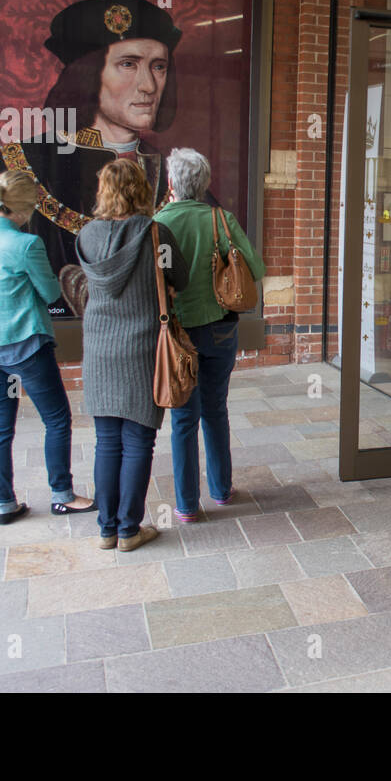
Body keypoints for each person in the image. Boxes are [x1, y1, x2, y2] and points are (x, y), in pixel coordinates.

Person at [0, 0, 183, 320]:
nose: (149, 86)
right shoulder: (6, 167)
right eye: (128, 64)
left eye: (159, 67)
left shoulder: (172, 171)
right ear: (89, 72)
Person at [0, 169, 95, 524]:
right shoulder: (26, 244)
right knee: (57, 419)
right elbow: (49, 293)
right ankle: (62, 495)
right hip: (25, 344)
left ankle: (4, 504)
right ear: (23, 209)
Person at [76, 159, 189, 551]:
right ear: (142, 189)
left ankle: (107, 529)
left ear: (103, 191)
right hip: (143, 350)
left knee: (107, 441)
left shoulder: (87, 236)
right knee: (140, 441)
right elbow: (181, 278)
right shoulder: (156, 236)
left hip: (100, 349)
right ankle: (128, 529)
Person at [153, 149, 265, 522]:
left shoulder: (158, 223)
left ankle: (186, 506)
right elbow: (256, 268)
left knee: (184, 419)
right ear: (206, 184)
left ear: (171, 184)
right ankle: (221, 489)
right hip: (219, 331)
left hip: (178, 334)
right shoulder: (222, 219)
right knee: (216, 410)